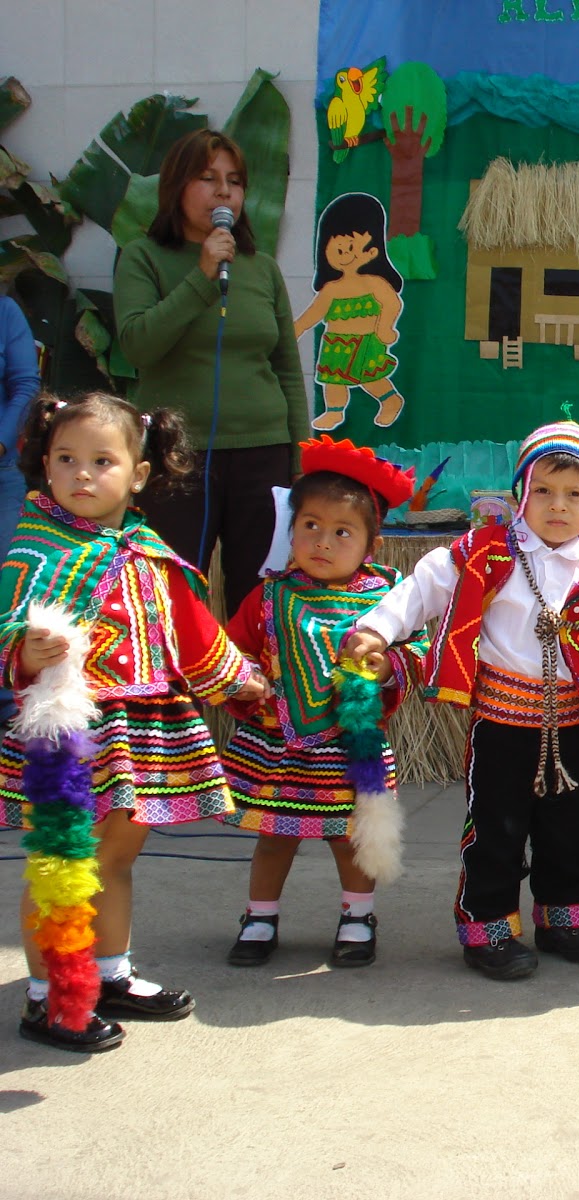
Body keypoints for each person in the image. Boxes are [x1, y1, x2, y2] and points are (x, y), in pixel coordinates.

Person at [0, 392, 267, 1053]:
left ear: (138, 473)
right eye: (66, 459)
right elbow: (9, 621)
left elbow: (193, 632)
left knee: (116, 859)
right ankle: (50, 997)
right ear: (45, 465)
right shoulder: (37, 546)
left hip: (140, 726)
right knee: (65, 862)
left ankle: (109, 973)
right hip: (67, 736)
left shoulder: (146, 551)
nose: (82, 475)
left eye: (101, 460)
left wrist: (246, 683)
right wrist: (23, 649)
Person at [344, 424, 579, 980]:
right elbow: (421, 589)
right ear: (521, 494)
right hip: (503, 721)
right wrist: (377, 631)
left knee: (573, 828)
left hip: (575, 723)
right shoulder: (483, 552)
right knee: (496, 828)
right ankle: (488, 928)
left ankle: (564, 919)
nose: (558, 506)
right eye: (544, 491)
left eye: (575, 495)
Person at [220, 436, 427, 970]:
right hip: (278, 744)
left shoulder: (388, 595)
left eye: (342, 532)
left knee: (348, 836)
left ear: (370, 543)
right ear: (291, 531)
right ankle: (260, 916)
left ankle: (358, 917)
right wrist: (245, 679)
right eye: (310, 525)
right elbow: (233, 647)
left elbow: (419, 647)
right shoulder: (270, 595)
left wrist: (387, 667)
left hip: (348, 745)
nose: (323, 541)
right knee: (273, 837)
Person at [114, 129, 309, 617]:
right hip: (177, 457)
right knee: (172, 594)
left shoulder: (262, 269)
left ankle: (254, 693)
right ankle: (175, 693)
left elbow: (286, 365)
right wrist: (201, 276)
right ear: (176, 187)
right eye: (208, 178)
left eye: (235, 181)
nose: (225, 191)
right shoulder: (143, 258)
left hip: (263, 453)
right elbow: (139, 344)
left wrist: (300, 453)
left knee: (257, 596)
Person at [293, 192, 408, 432]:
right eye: (337, 248)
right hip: (336, 344)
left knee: (370, 377)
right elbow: (313, 314)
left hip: (367, 341)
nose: (345, 254)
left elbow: (392, 304)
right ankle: (334, 411)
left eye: (352, 247)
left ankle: (390, 399)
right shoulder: (331, 289)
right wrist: (296, 330)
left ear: (372, 251)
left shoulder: (375, 283)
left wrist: (384, 327)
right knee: (333, 380)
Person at [0, 294, 41, 724]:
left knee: (8, 591)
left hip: (1, 470)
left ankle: (11, 709)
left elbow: (25, 383)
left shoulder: (5, 310)